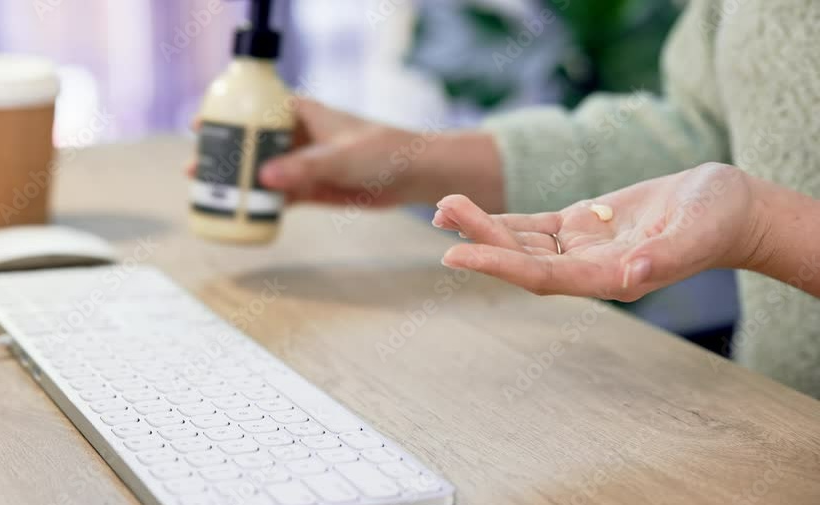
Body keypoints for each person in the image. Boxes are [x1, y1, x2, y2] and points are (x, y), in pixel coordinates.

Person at [189, 1, 820, 397]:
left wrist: (767, 228)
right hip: (777, 419)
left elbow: (738, 190)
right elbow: (697, 128)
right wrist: (406, 158)